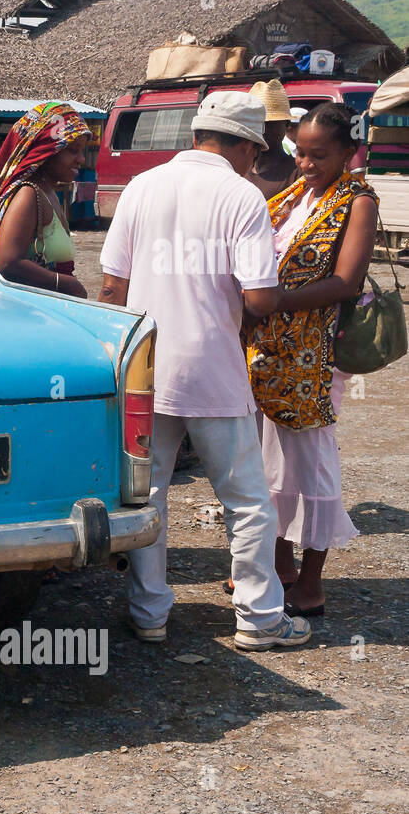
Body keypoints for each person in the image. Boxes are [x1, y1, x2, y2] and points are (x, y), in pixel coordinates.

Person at [98, 91, 311, 651]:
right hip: (213, 367)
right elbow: (261, 298)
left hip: (146, 366)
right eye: (254, 153)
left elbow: (113, 288)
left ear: (197, 135)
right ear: (243, 147)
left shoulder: (141, 186)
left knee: (148, 495)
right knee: (246, 499)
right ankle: (260, 619)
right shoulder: (241, 196)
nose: (253, 163)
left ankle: (149, 613)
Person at [246, 102, 376, 618]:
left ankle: (312, 582)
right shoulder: (298, 194)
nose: (304, 163)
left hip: (314, 355)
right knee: (268, 458)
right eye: (298, 152)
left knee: (311, 461)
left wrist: (272, 299)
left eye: (318, 155)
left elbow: (346, 281)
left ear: (349, 151)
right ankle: (279, 567)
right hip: (269, 351)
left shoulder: (357, 201)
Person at [0, 102, 91, 298]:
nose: (81, 159)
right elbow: (6, 264)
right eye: (72, 150)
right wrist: (67, 284)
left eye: (82, 151)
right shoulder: (28, 195)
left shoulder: (49, 193)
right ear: (46, 149)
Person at [248, 80, 300, 200]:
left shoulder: (296, 173)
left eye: (271, 124)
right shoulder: (238, 168)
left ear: (287, 125)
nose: (264, 130)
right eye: (259, 123)